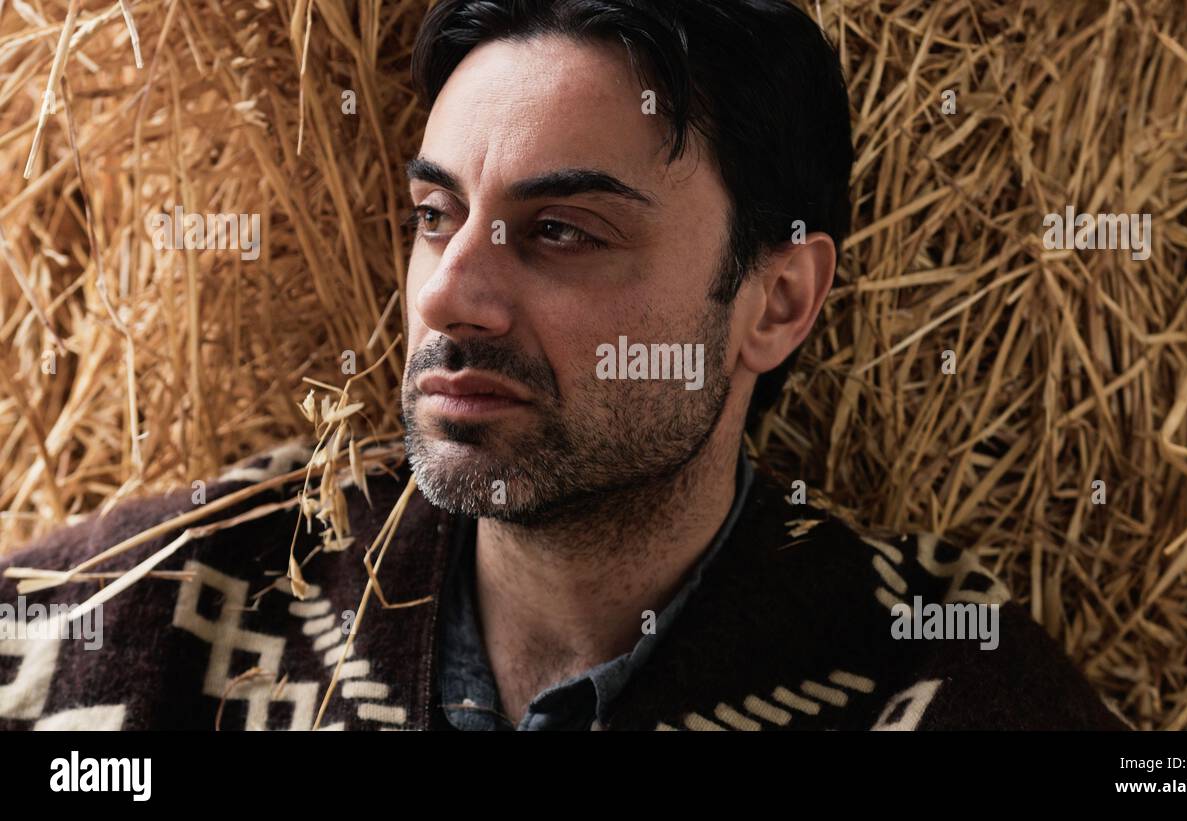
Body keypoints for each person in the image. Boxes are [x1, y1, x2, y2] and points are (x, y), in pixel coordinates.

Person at [0, 0, 1127, 731]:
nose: (448, 292)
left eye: (560, 233)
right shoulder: (197, 596)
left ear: (775, 301)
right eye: (436, 215)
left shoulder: (941, 690)